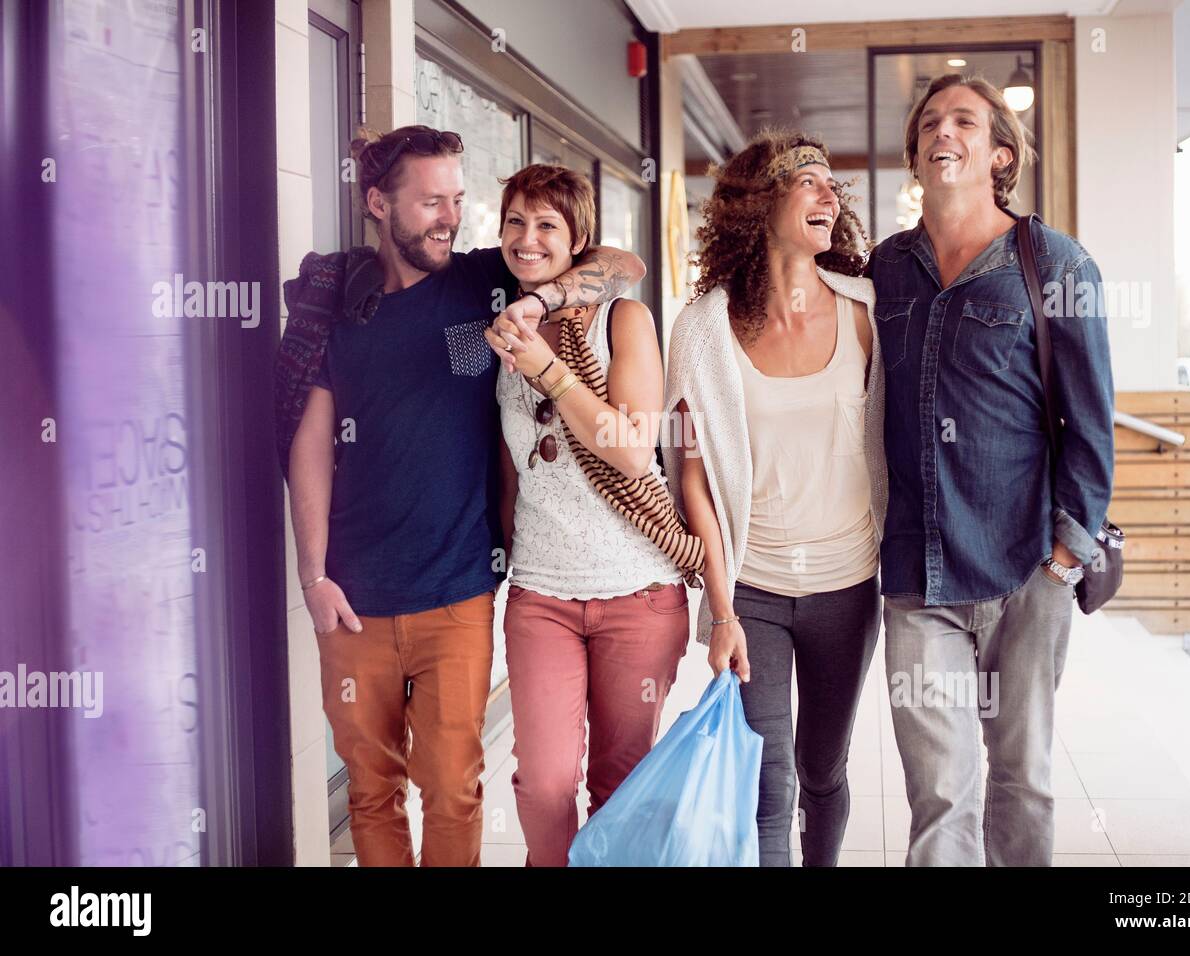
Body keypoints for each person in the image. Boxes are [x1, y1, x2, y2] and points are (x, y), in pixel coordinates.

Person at [277, 126, 645, 866]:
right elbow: (309, 445)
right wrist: (312, 575)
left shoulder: (485, 283)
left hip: (459, 591)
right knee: (372, 790)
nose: (449, 217)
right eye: (429, 202)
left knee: (452, 786)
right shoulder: (337, 308)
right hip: (353, 597)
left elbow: (619, 263)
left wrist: (541, 304)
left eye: (457, 199)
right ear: (377, 203)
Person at [869, 75, 1114, 866]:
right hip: (919, 575)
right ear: (915, 152)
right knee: (940, 791)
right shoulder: (884, 270)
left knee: (1021, 781)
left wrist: (1066, 556)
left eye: (965, 120)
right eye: (931, 121)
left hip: (1025, 570)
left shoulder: (1054, 263)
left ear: (998, 153)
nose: (944, 130)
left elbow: (1090, 420)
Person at [661, 131, 886, 867]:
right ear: (760, 203)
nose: (829, 194)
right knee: (769, 776)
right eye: (807, 182)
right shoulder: (703, 329)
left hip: (847, 586)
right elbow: (690, 475)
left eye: (833, 184)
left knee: (823, 773)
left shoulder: (865, 312)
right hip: (752, 588)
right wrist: (721, 611)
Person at [483, 164, 702, 867]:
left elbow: (635, 452)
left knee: (623, 783)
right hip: (542, 593)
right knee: (543, 783)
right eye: (515, 221)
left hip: (637, 592)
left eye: (547, 224)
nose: (528, 237)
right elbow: (513, 475)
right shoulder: (492, 329)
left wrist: (547, 364)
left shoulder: (621, 318)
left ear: (577, 237)